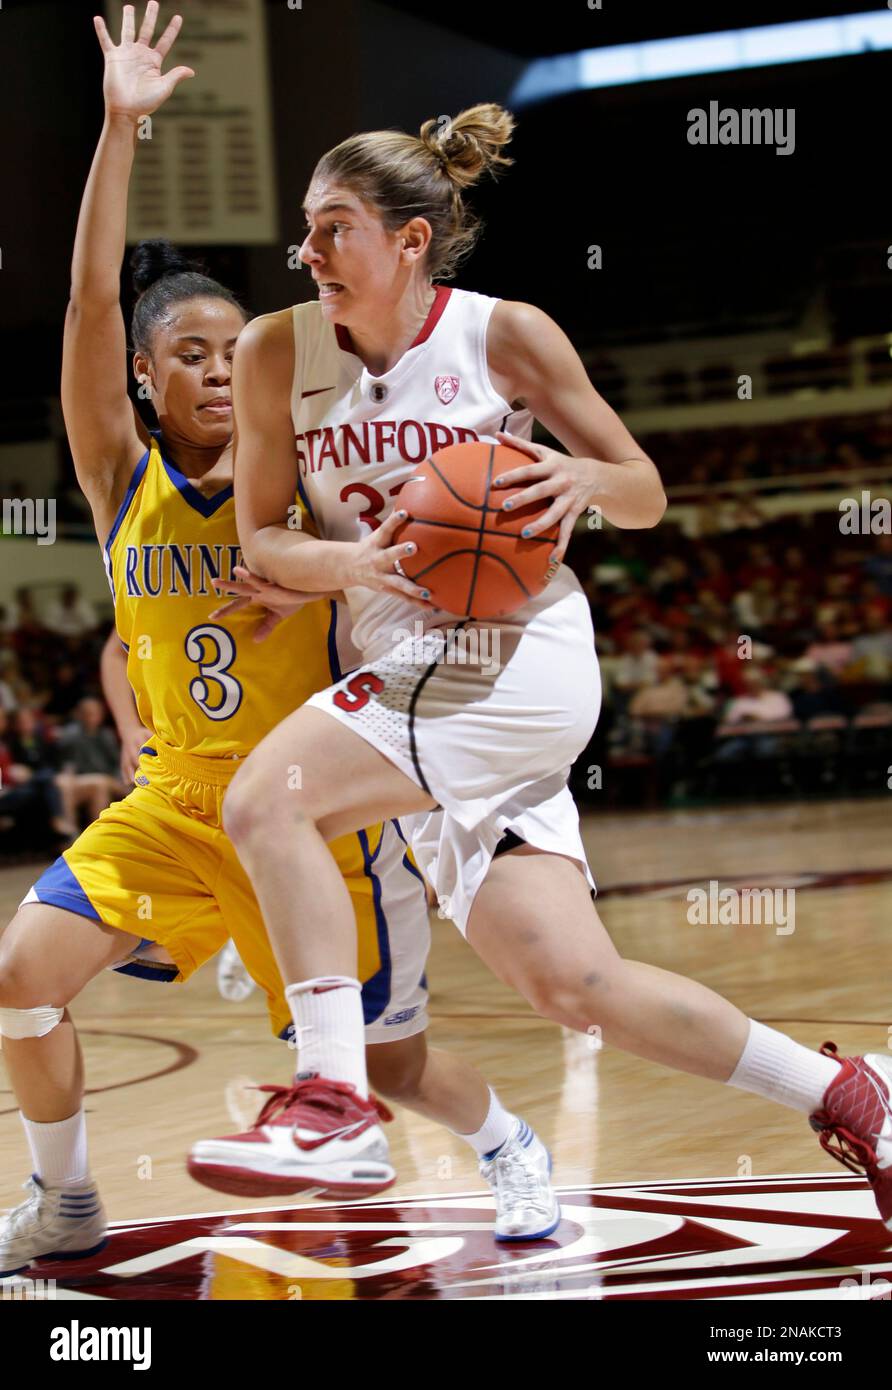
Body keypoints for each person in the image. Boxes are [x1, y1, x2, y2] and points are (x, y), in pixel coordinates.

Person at [194, 92, 892, 1229]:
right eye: (306, 228)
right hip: (409, 665)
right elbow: (261, 537)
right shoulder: (279, 348)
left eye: (333, 227)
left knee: (268, 800)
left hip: (512, 653)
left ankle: (327, 1101)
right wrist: (348, 565)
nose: (305, 249)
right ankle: (850, 1094)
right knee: (576, 985)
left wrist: (578, 481)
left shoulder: (502, 334)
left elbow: (646, 490)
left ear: (409, 239)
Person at [0, 5, 557, 1282]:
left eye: (225, 353)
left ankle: (507, 1138)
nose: (210, 372)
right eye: (182, 356)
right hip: (175, 802)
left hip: (305, 807)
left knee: (394, 1067)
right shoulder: (111, 477)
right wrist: (117, 128)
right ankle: (67, 1197)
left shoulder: (301, 486)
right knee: (21, 977)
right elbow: (89, 296)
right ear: (143, 378)